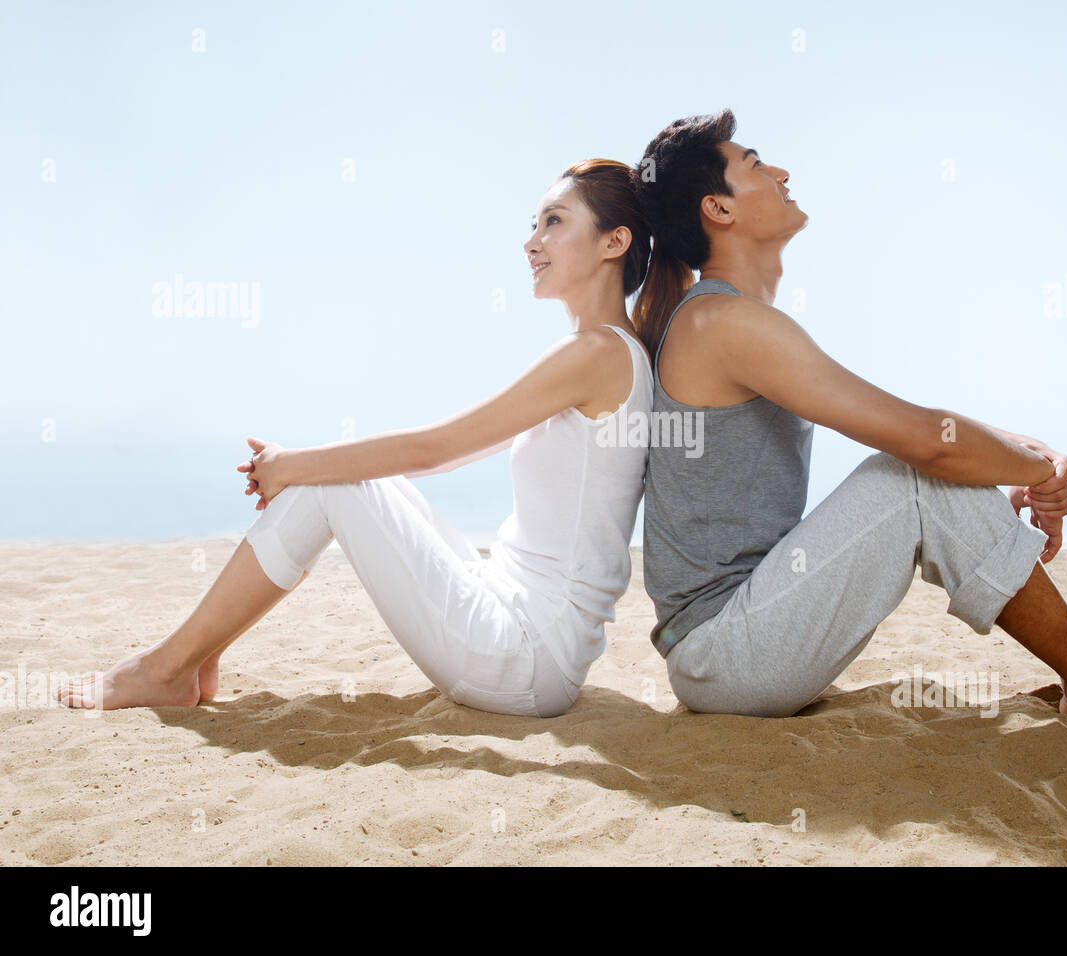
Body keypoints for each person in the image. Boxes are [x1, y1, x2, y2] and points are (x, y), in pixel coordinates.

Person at [633, 109, 1067, 721]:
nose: (782, 171)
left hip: (748, 639)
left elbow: (921, 425)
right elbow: (930, 443)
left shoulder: (732, 318)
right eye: (756, 164)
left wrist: (1035, 455)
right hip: (724, 656)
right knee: (914, 478)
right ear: (720, 208)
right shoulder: (722, 322)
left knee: (916, 469)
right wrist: (1034, 472)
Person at [57, 159, 655, 718]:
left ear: (614, 241)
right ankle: (197, 655)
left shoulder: (597, 354)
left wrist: (292, 465)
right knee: (346, 479)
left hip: (525, 655)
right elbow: (457, 449)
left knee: (332, 484)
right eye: (534, 224)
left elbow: (437, 448)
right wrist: (299, 465)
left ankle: (167, 668)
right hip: (514, 614)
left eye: (554, 221)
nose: (531, 242)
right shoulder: (606, 352)